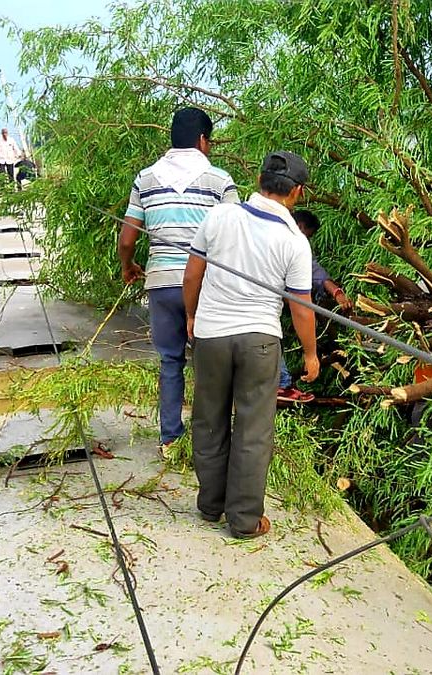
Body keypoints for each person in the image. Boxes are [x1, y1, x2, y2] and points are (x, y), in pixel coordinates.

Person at [183, 151, 319, 539]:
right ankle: (243, 520)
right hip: (260, 340)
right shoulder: (294, 240)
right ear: (297, 192)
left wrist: (191, 316)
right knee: (253, 430)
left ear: (259, 180)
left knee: (208, 420)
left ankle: (211, 505)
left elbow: (193, 273)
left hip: (210, 335)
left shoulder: (221, 215)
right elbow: (301, 307)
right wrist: (310, 354)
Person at [120, 107, 239, 455]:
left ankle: (170, 438)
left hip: (160, 283)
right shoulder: (219, 180)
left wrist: (129, 266)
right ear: (203, 140)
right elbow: (235, 235)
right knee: (210, 365)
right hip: (205, 285)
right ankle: (211, 441)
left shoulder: (145, 178)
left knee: (170, 361)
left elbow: (128, 238)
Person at [276, 209, 353, 403]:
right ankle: (283, 385)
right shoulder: (286, 240)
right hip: (258, 303)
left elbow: (313, 271)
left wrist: (336, 292)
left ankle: (282, 384)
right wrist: (310, 354)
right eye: (308, 236)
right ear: (301, 228)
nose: (307, 241)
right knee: (270, 333)